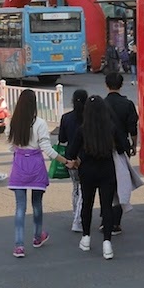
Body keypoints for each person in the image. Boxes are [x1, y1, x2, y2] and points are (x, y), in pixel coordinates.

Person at [7, 89, 71, 258]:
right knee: (37, 204)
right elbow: (47, 149)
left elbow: (11, 146)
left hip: (19, 165)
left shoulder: (13, 122)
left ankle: (19, 246)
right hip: (36, 165)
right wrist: (66, 161)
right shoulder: (40, 123)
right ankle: (37, 237)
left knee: (20, 208)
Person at [65, 96, 127, 259]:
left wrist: (80, 157)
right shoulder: (111, 128)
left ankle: (86, 238)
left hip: (87, 171)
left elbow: (70, 152)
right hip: (107, 170)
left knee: (87, 203)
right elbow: (123, 147)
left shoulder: (82, 129)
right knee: (106, 206)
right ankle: (107, 243)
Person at [104, 72, 138, 235]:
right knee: (120, 185)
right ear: (121, 85)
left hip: (104, 150)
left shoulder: (101, 104)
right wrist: (133, 145)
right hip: (121, 148)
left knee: (106, 185)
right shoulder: (128, 104)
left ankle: (105, 219)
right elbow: (133, 128)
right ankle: (115, 223)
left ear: (106, 85)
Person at [58, 89, 88, 232]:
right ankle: (78, 219)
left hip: (70, 157)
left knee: (76, 187)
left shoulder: (66, 117)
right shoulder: (89, 118)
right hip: (86, 158)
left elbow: (62, 139)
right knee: (84, 189)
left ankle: (75, 214)